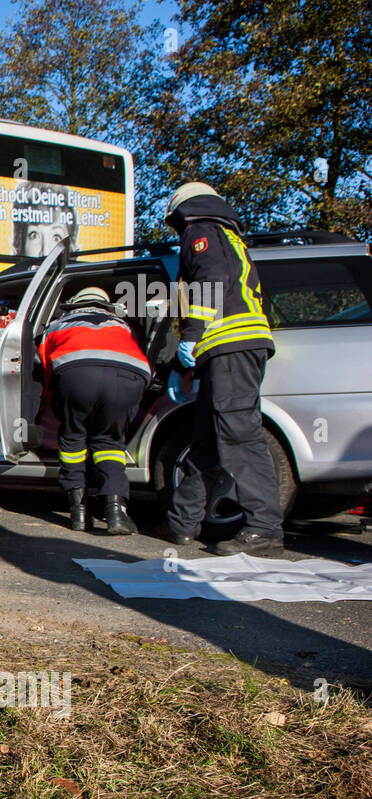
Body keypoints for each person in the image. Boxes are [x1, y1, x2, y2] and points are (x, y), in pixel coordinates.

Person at [158, 182, 282, 555]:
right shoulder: (226, 235)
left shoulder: (202, 231)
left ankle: (265, 528)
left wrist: (191, 335)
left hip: (231, 345)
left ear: (182, 211)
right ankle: (182, 522)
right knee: (208, 441)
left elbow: (210, 282)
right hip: (226, 350)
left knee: (239, 435)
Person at [39, 287, 151, 534]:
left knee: (73, 440)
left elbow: (46, 367)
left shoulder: (59, 324)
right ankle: (115, 514)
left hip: (77, 375)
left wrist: (54, 401)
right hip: (128, 378)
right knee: (110, 442)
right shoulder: (121, 325)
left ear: (75, 304)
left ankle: (79, 515)